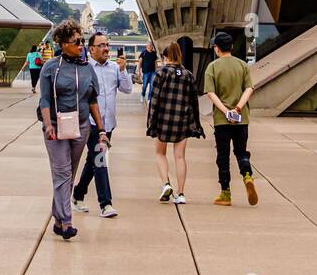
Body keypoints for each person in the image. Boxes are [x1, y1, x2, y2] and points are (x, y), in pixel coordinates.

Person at [39, 20, 107, 241]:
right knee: (62, 172)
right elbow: (45, 100)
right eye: (77, 41)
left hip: (81, 127)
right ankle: (67, 222)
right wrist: (48, 124)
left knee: (68, 175)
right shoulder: (51, 67)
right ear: (63, 43)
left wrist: (102, 129)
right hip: (57, 127)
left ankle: (58, 220)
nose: (81, 45)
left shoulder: (87, 69)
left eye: (82, 41)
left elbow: (93, 100)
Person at [72, 32, 132, 219]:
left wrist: (123, 70)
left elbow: (127, 89)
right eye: (101, 45)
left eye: (107, 44)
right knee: (100, 159)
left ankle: (78, 194)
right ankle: (105, 203)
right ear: (91, 49)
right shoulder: (84, 68)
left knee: (93, 159)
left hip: (108, 124)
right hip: (90, 124)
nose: (106, 48)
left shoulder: (114, 67)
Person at [204, 31, 258, 206]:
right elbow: (249, 89)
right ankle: (247, 175)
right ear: (232, 47)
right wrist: (237, 108)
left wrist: (226, 111)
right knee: (241, 151)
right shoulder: (242, 66)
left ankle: (225, 193)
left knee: (223, 155)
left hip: (222, 120)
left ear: (217, 48)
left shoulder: (212, 67)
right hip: (241, 119)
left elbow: (210, 93)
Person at [145, 41, 203, 204]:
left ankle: (166, 184)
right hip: (182, 121)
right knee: (180, 157)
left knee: (160, 153)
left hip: (163, 119)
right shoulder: (188, 75)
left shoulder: (161, 73)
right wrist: (196, 124)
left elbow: (154, 99)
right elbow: (194, 102)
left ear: (165, 57)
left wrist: (151, 122)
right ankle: (181, 192)